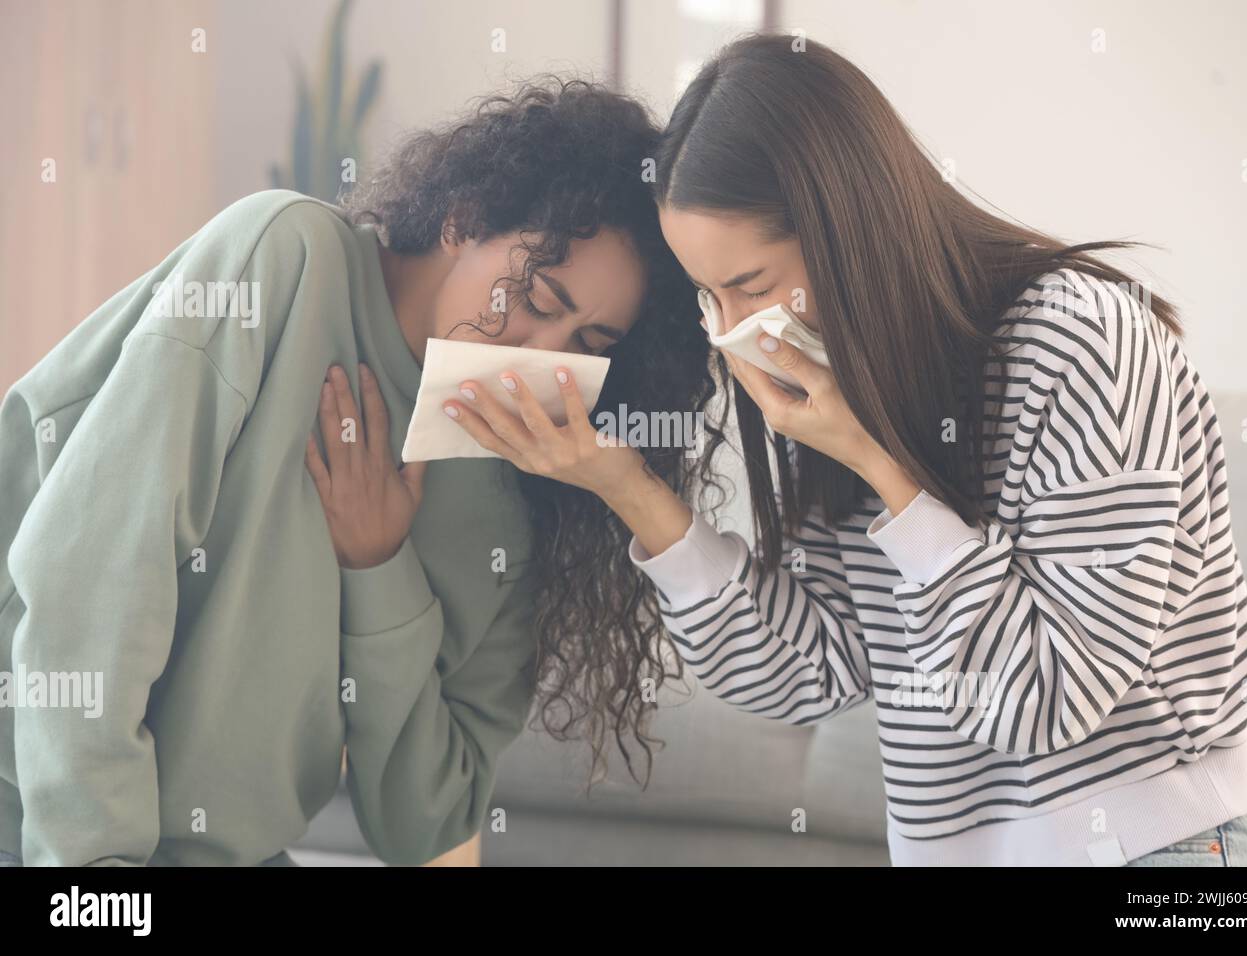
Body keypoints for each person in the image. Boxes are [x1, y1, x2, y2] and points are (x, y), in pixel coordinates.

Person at [445, 35, 1247, 866]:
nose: (736, 329)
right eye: (709, 295)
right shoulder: (838, 376)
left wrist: (883, 468)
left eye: (750, 284)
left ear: (851, 223)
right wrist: (625, 484)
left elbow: (1044, 703)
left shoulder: (1083, 339)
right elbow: (804, 676)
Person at [0, 77, 715, 865]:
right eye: (539, 297)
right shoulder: (287, 259)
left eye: (589, 345)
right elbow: (88, 582)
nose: (540, 356)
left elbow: (426, 824)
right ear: (463, 219)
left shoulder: (526, 494)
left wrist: (379, 570)